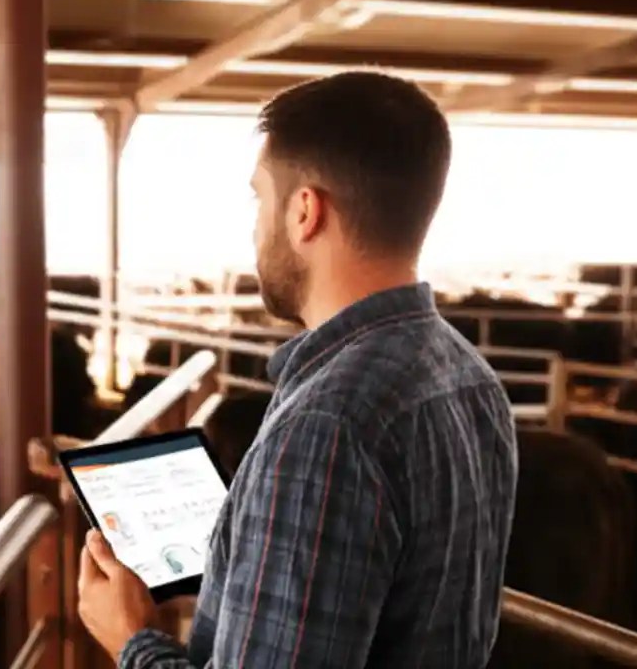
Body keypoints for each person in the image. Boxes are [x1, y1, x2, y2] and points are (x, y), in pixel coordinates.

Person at [77, 71, 518, 668]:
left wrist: (132, 638)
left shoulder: (324, 428)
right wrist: (253, 541)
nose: (256, 225)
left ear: (306, 211)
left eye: (261, 197)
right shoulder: (469, 376)